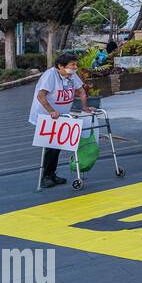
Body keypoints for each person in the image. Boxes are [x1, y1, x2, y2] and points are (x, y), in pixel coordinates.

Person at [30, 53, 91, 188]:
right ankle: (46, 177)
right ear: (60, 66)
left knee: (57, 146)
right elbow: (41, 96)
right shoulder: (50, 75)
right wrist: (51, 111)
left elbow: (81, 91)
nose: (75, 68)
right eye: (72, 65)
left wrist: (85, 106)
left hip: (62, 116)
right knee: (51, 146)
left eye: (76, 64)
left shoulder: (71, 75)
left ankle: (51, 174)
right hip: (47, 115)